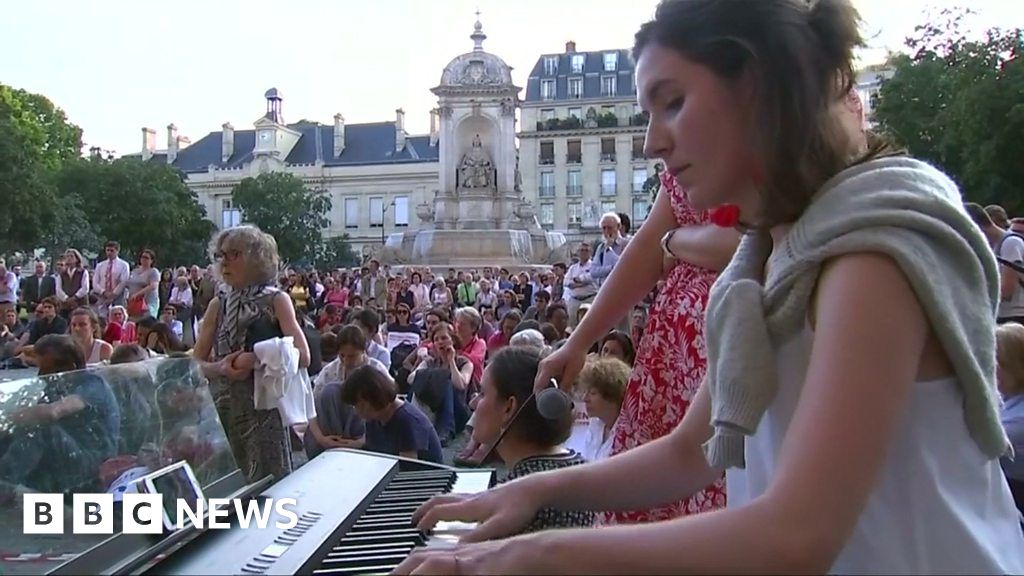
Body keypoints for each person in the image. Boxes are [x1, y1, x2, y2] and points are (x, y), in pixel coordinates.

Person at [398, 0, 1024, 573]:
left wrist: (522, 555)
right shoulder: (764, 257)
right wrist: (536, 488)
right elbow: (687, 455)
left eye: (672, 103)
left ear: (755, 88)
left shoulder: (868, 258)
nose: (652, 141)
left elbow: (797, 536)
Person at [193, 225, 311, 482]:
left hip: (264, 409)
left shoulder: (277, 300)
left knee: (269, 488)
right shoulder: (218, 303)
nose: (224, 261)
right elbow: (195, 364)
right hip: (223, 408)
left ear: (257, 257)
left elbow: (303, 355)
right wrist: (221, 368)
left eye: (234, 254)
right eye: (220, 255)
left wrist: (256, 358)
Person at [455, 346, 593, 532]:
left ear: (509, 408)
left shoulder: (517, 497)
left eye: (482, 393)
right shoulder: (578, 468)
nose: (473, 403)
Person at [340, 364, 443, 464]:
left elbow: (407, 469)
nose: (357, 411)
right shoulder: (374, 418)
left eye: (361, 405)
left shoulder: (407, 421)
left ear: (375, 396)